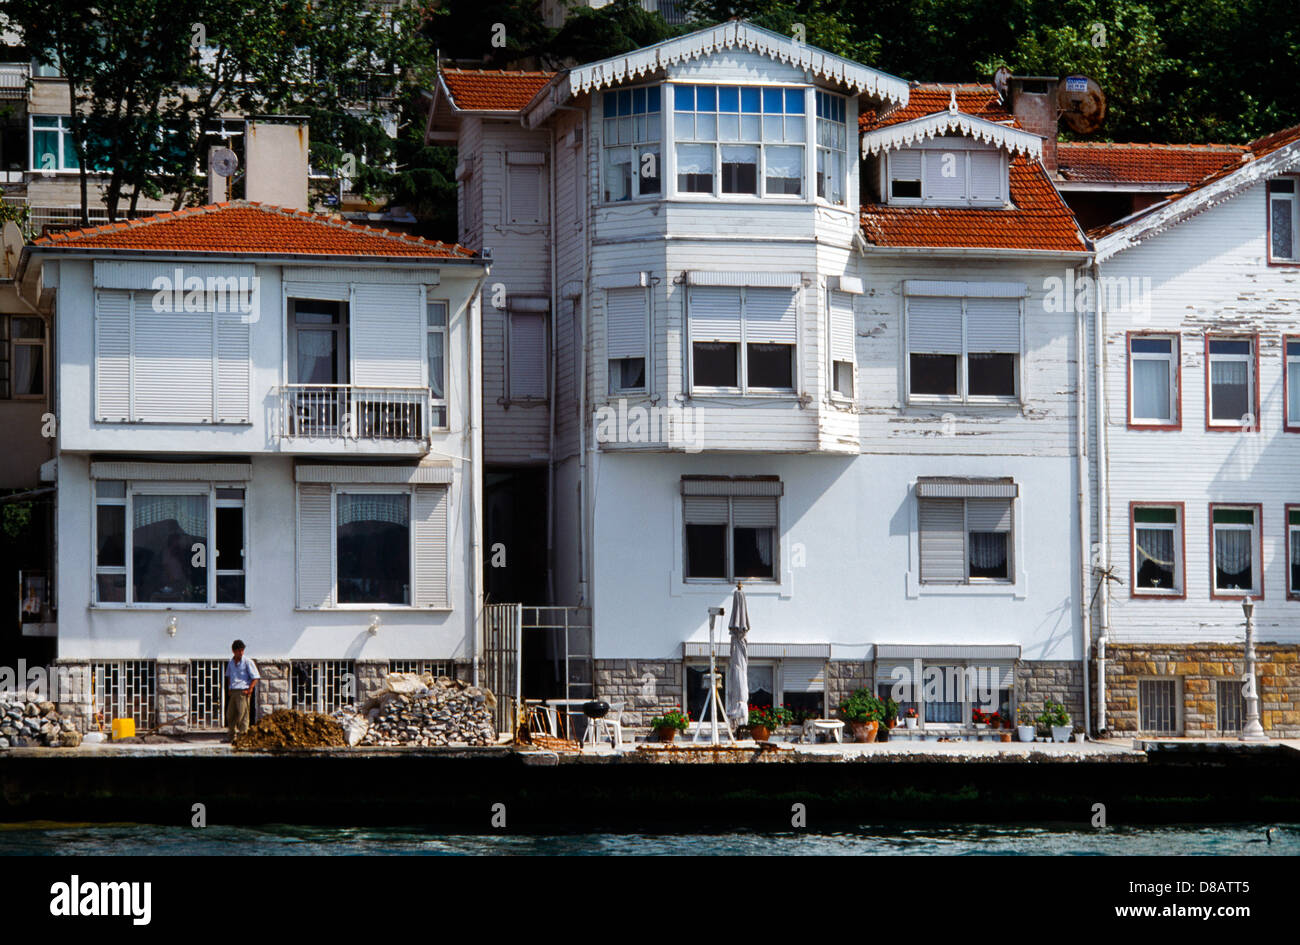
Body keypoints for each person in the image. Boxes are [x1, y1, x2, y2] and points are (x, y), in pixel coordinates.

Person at [226, 639, 260, 740]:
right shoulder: (231, 662)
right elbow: (228, 676)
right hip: (233, 691)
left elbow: (255, 677)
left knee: (243, 716)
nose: (241, 653)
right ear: (234, 651)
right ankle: (231, 736)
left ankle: (243, 737)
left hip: (243, 691)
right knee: (230, 715)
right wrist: (229, 688)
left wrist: (250, 689)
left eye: (242, 650)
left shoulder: (247, 662)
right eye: (238, 651)